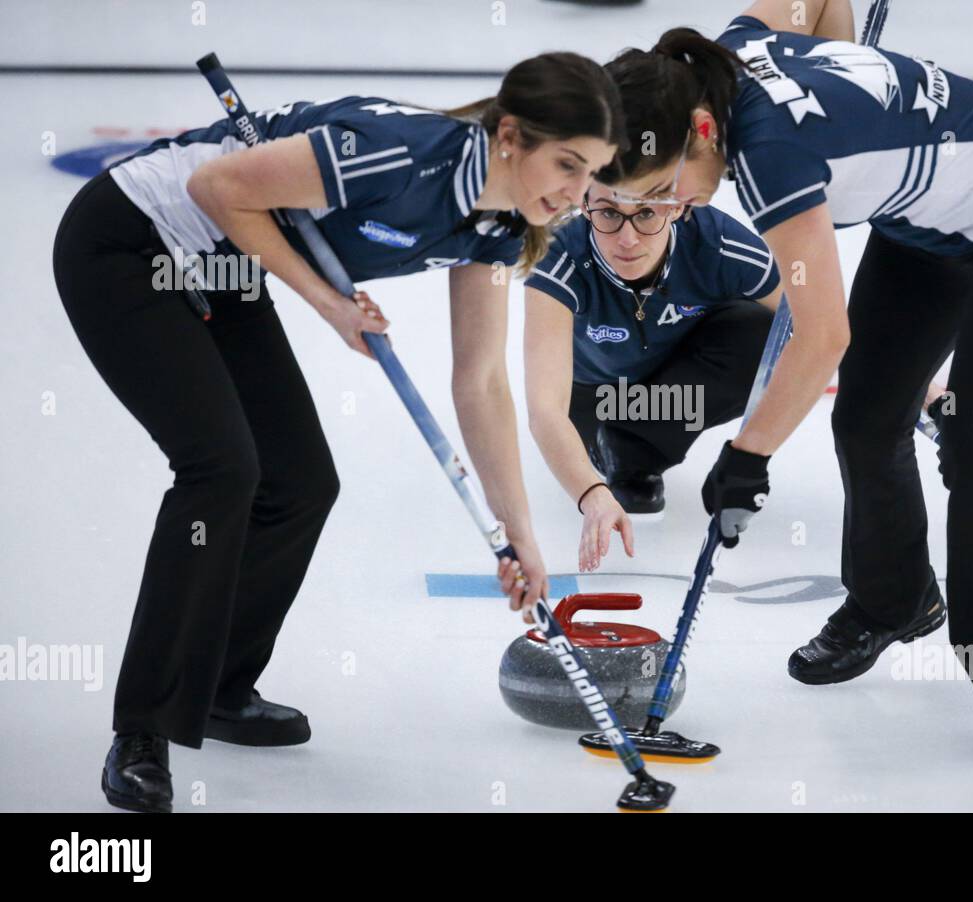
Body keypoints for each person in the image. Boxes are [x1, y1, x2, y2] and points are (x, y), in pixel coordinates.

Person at [52, 52, 623, 813]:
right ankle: (142, 730)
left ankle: (216, 687)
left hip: (226, 264)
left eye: (593, 175)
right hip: (133, 241)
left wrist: (518, 534)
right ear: (511, 135)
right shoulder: (399, 150)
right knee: (220, 469)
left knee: (300, 482)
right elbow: (215, 187)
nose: (578, 194)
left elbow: (480, 381)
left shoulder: (498, 226)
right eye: (569, 164)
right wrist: (329, 303)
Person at [599, 0, 973, 753]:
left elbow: (822, 333)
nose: (667, 209)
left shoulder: (769, 158)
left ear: (702, 129)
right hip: (926, 226)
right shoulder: (728, 52)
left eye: (662, 189)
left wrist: (748, 457)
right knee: (867, 419)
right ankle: (891, 601)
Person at [524, 182, 780, 570]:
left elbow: (818, 332)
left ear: (677, 208)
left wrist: (750, 456)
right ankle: (624, 448)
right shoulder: (559, 256)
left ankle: (640, 441)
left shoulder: (722, 244)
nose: (627, 239)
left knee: (765, 332)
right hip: (599, 398)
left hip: (680, 374)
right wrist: (591, 494)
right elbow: (545, 407)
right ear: (584, 203)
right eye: (609, 213)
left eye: (645, 213)